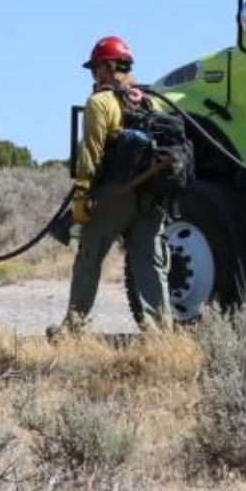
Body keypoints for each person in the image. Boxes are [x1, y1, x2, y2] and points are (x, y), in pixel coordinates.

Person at [51, 35, 177, 338]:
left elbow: (91, 153)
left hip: (115, 196)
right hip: (151, 196)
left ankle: (73, 329)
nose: (94, 77)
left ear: (109, 68)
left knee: (88, 257)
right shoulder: (149, 101)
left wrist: (81, 195)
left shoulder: (100, 103)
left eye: (96, 69)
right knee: (151, 264)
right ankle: (162, 336)